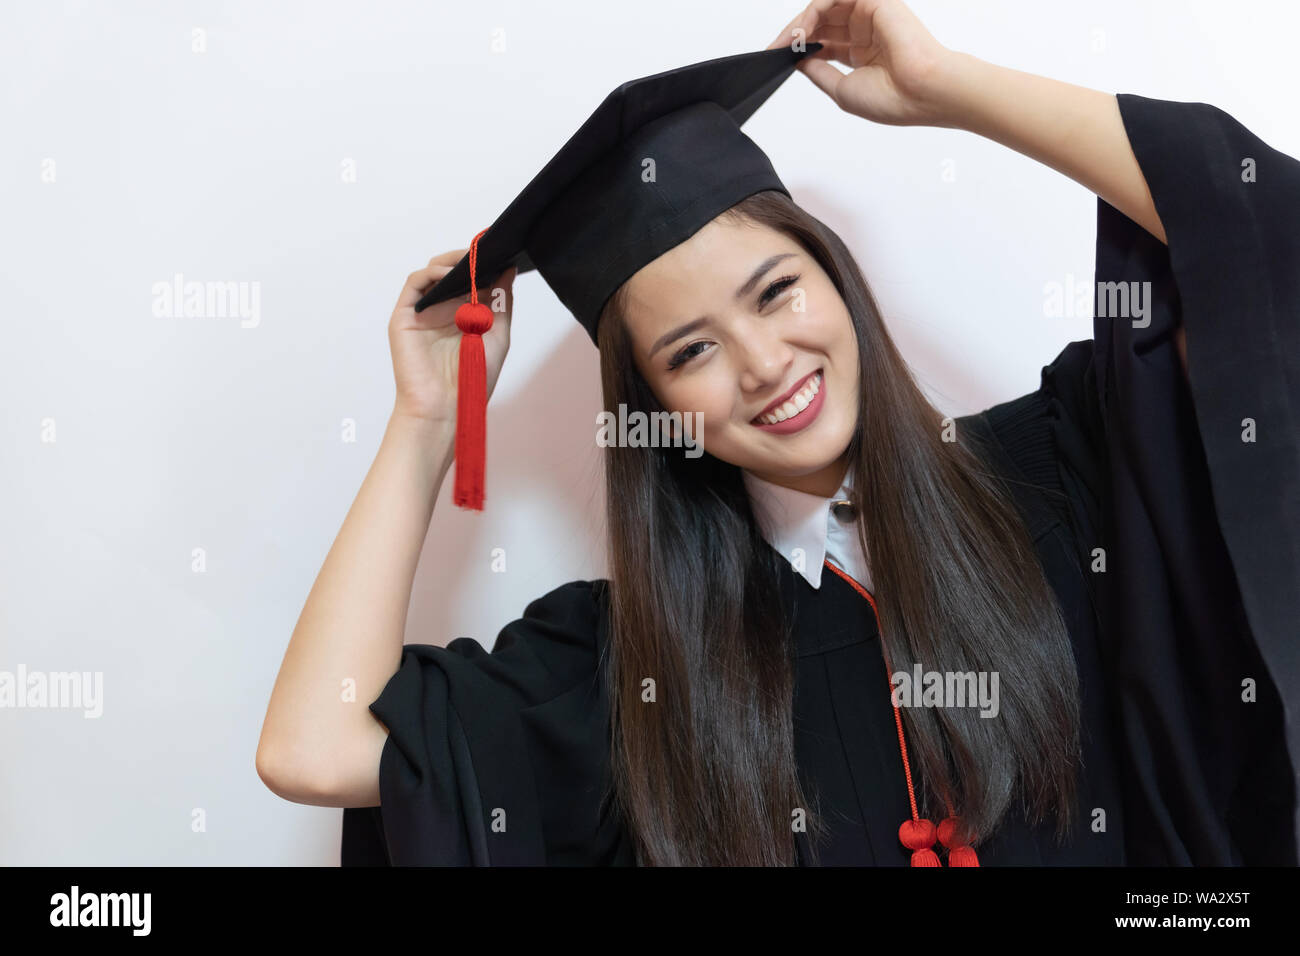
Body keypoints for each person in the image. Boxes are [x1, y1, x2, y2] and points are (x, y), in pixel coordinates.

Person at [256, 0, 1300, 866]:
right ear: (657, 408)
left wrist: (951, 89)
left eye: (776, 290)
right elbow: (314, 745)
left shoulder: (1067, 470)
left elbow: (1260, 242)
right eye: (691, 351)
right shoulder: (638, 670)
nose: (762, 363)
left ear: (834, 277)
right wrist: (426, 419)